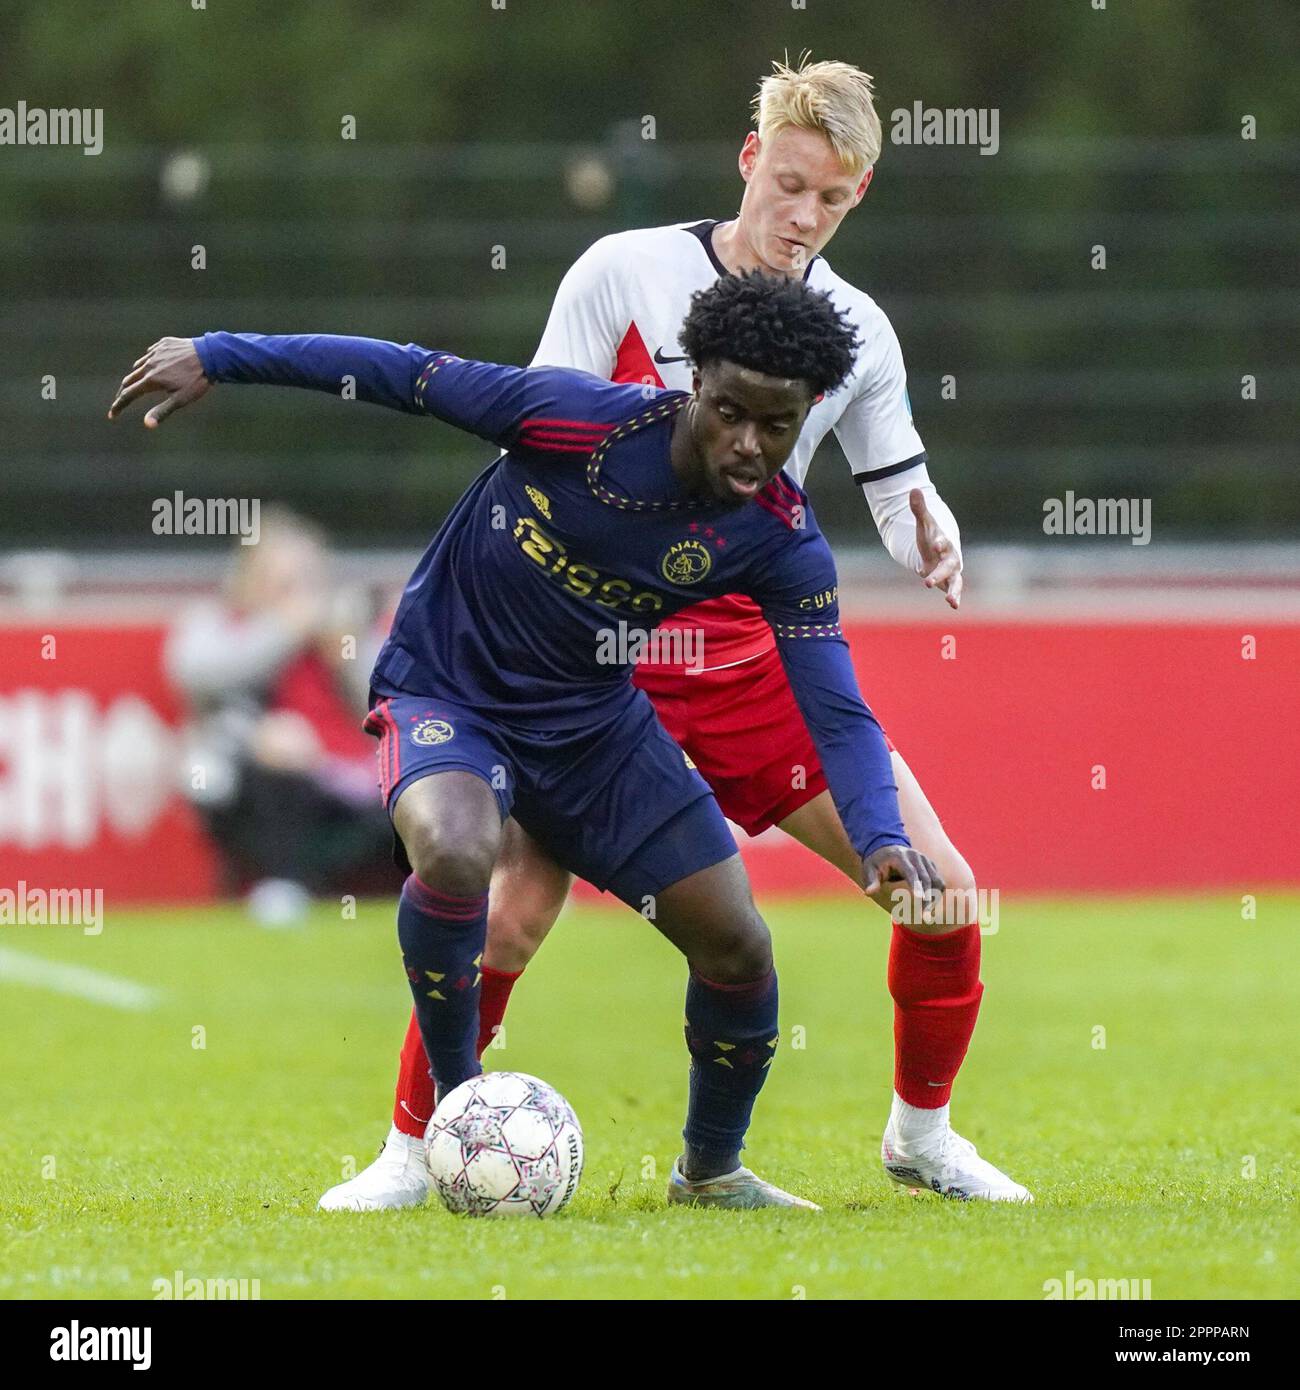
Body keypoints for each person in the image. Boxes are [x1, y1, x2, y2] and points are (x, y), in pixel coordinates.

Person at [321, 56, 1031, 1209]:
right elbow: (536, 430)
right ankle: (415, 1148)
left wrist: (930, 530)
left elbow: (897, 491)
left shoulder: (858, 331)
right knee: (508, 904)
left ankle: (920, 1138)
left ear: (858, 198)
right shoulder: (624, 267)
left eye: (834, 199)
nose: (805, 216)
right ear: (750, 160)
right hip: (590, 657)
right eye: (791, 184)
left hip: (750, 652)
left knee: (941, 892)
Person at [109, 270, 947, 1210]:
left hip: (591, 725)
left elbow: (835, 707)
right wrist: (218, 355)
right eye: (730, 412)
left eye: (778, 425)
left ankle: (711, 1171)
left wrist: (880, 835)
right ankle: (446, 1124)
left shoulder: (782, 540)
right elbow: (402, 374)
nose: (749, 444)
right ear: (695, 382)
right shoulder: (576, 420)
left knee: (737, 946)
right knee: (460, 852)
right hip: (449, 691)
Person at [165, 507, 399, 917]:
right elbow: (197, 674)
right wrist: (284, 628)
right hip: (252, 782)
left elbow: (392, 702)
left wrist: (346, 653)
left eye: (305, 578)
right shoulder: (218, 623)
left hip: (348, 776)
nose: (296, 592)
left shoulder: (341, 632)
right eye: (281, 579)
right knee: (278, 757)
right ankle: (282, 885)